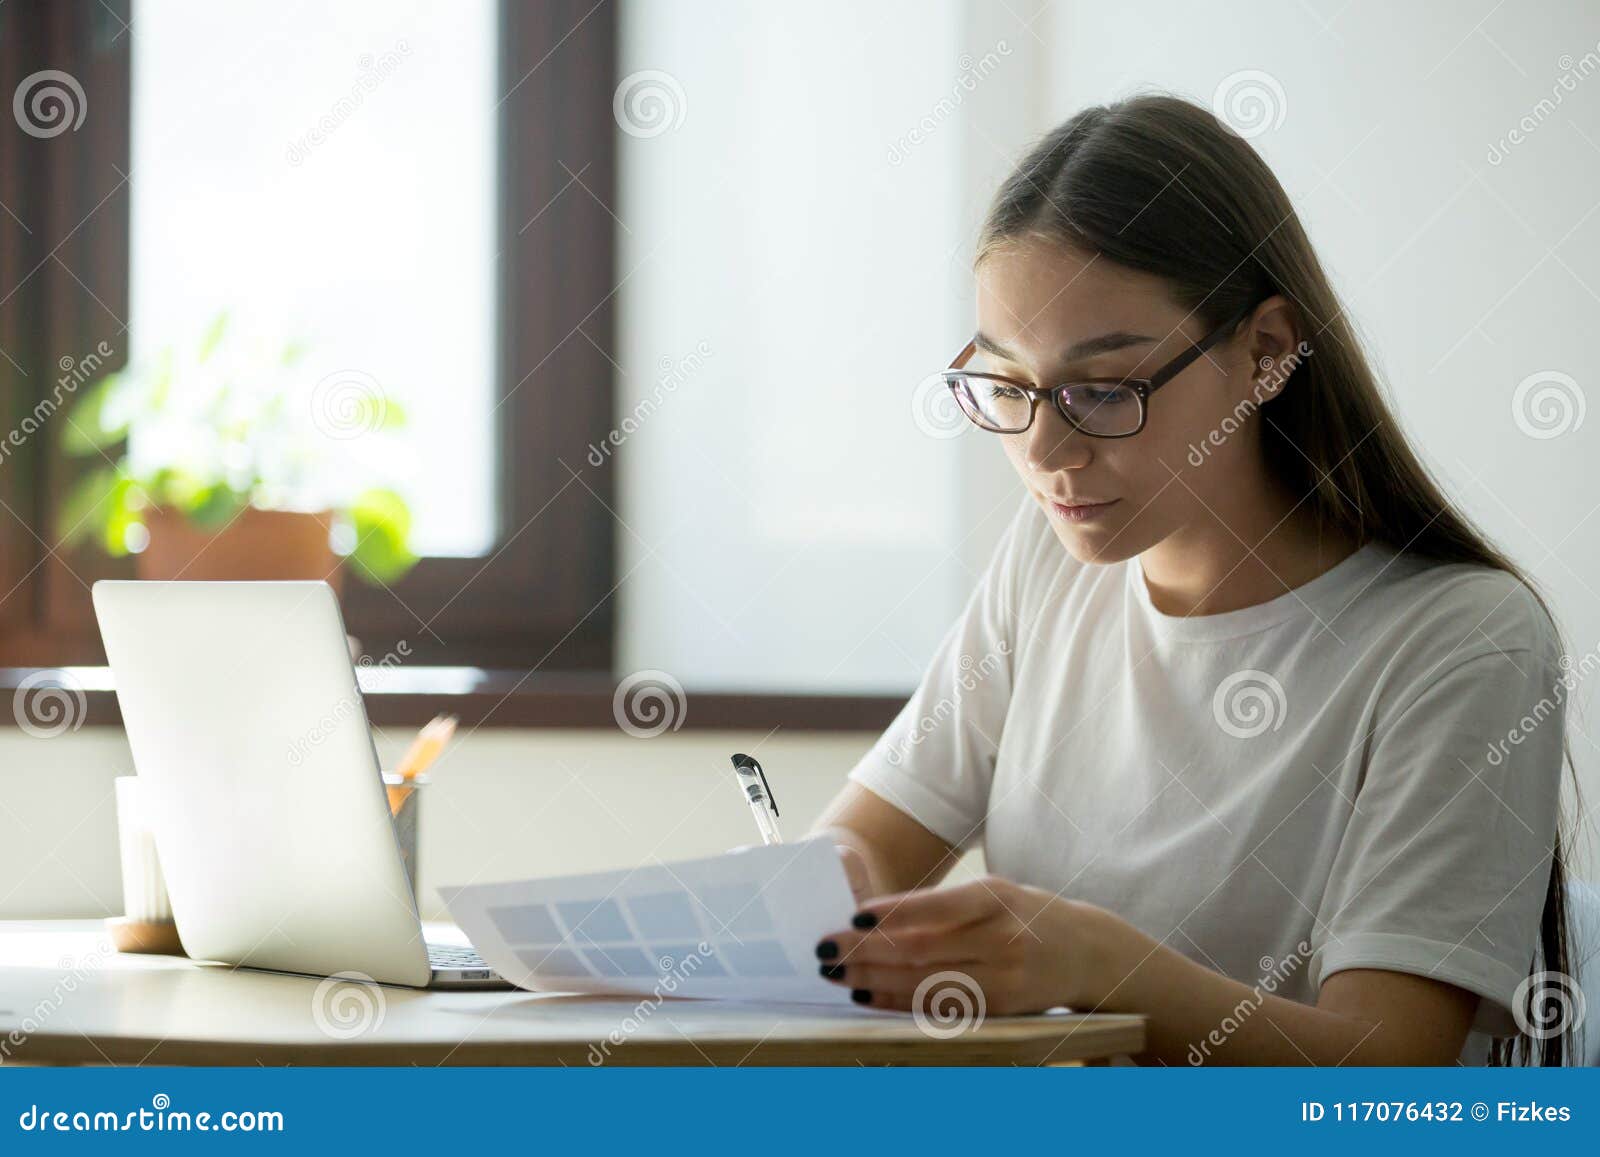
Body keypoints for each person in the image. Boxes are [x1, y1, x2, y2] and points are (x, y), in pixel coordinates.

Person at [810, 94, 1577, 1066]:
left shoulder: (1461, 638)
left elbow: (1390, 1072)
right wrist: (816, 890)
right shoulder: (1048, 559)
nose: (1046, 448)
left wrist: (1097, 959)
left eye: (1101, 389)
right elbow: (864, 845)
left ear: (1262, 354)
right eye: (1007, 386)